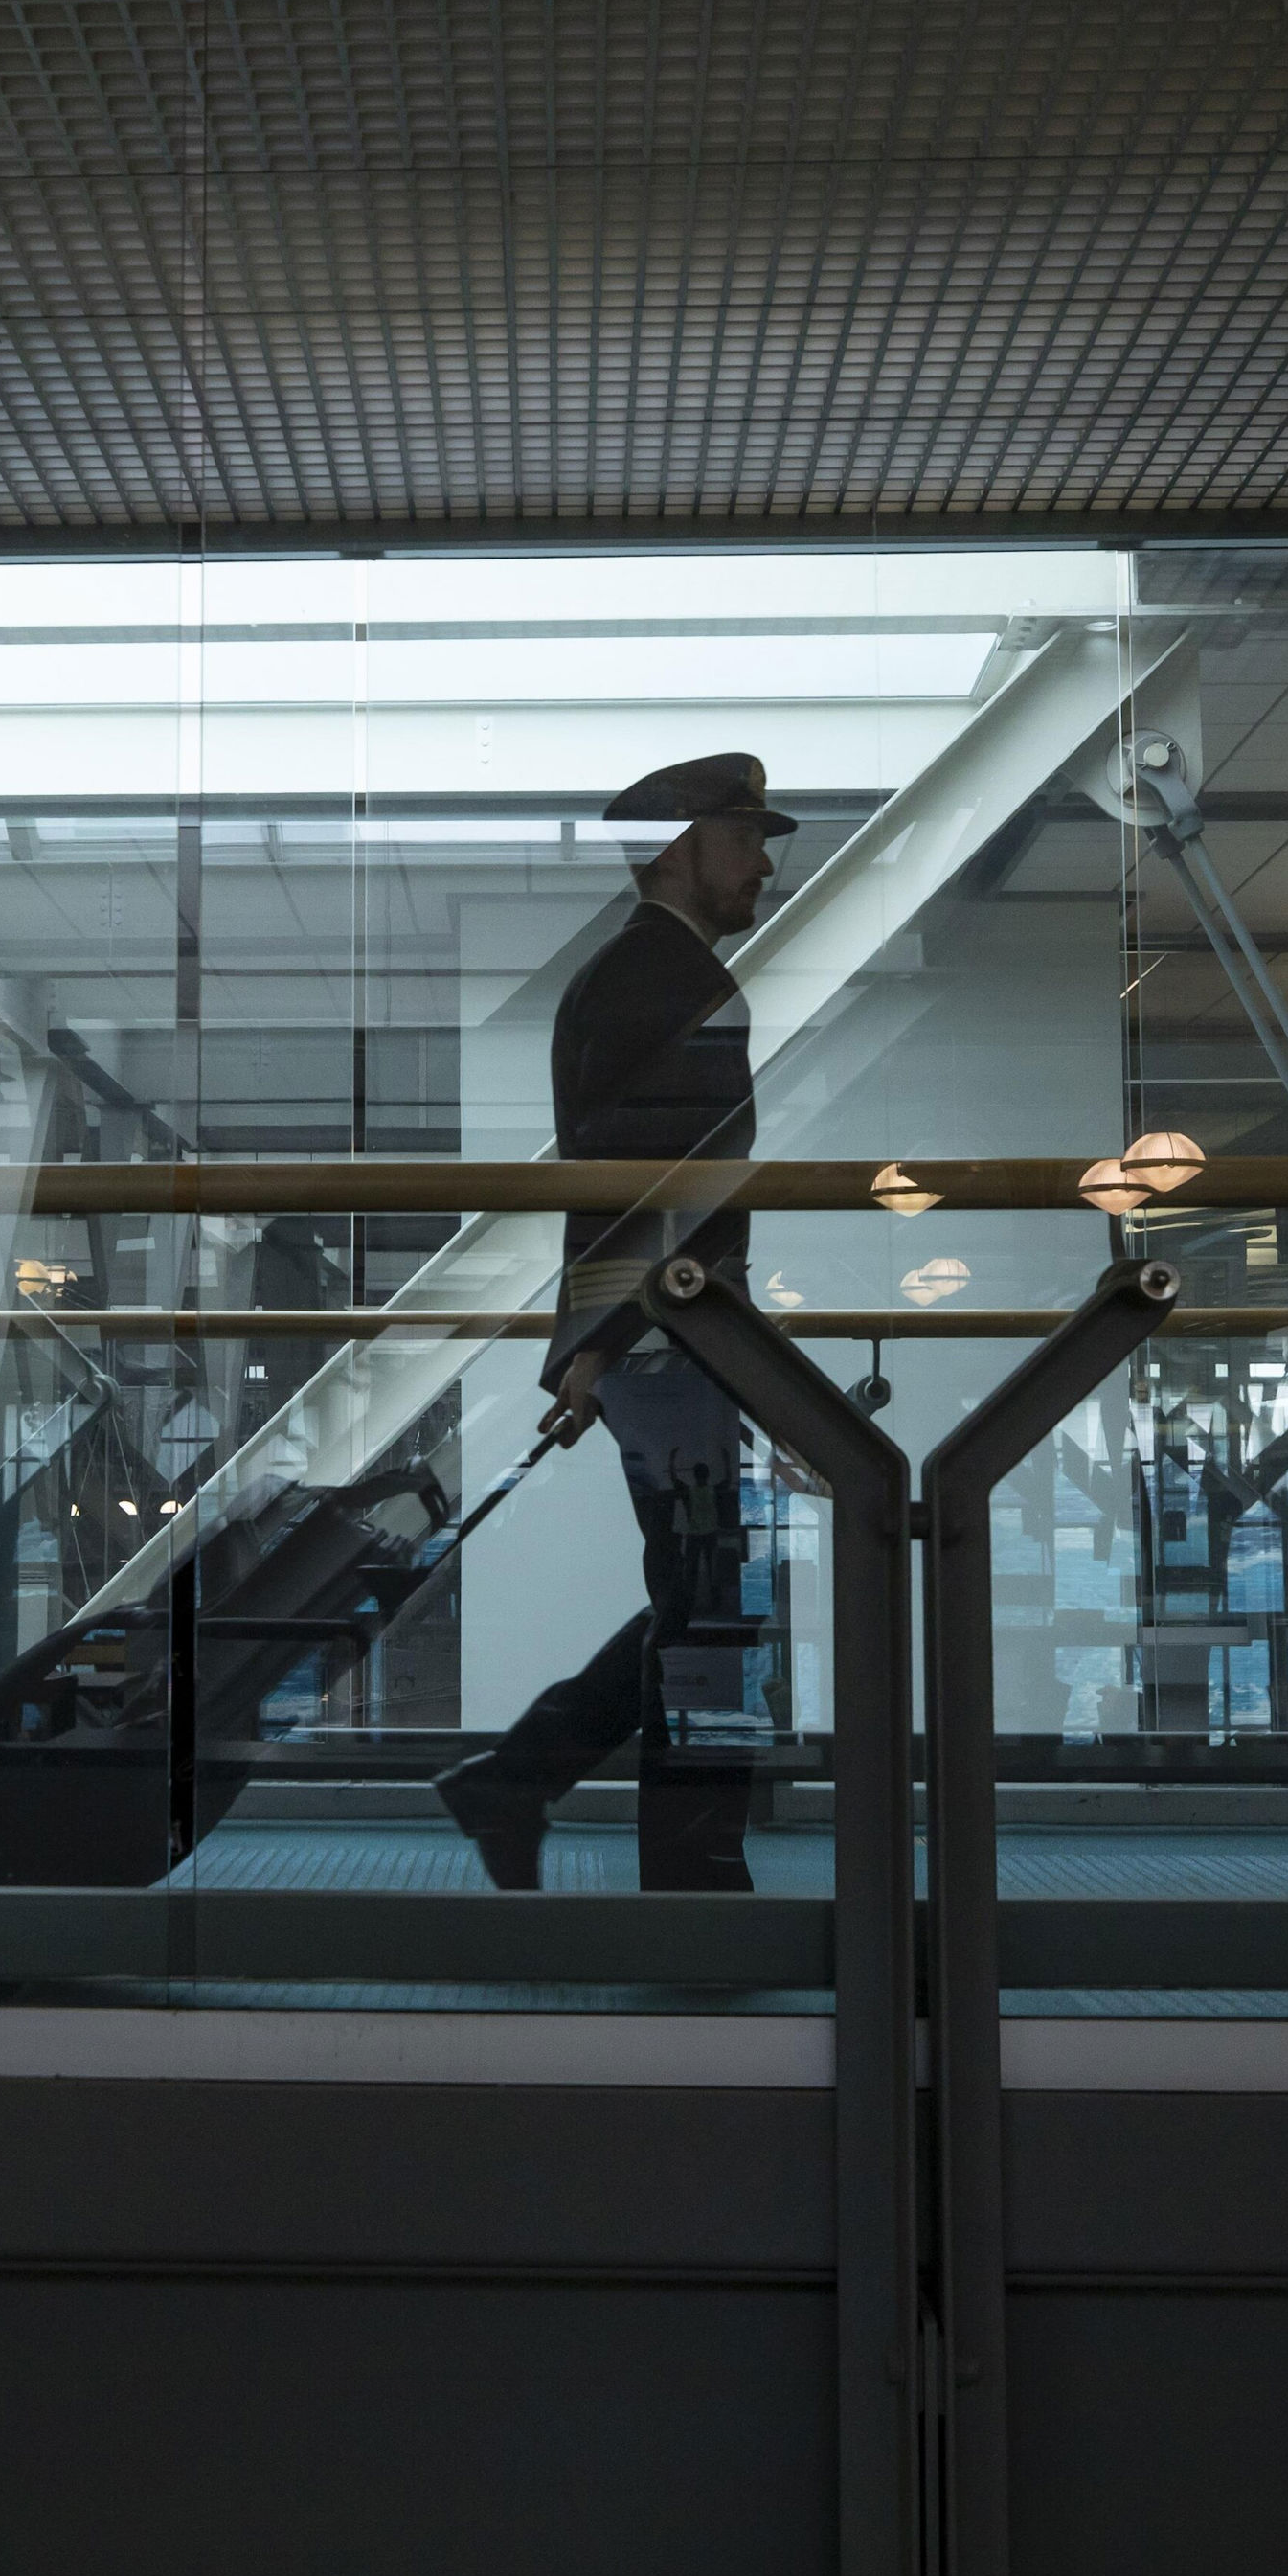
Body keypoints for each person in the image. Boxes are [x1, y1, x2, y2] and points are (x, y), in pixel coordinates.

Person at [431, 753, 795, 1892]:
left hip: (653, 1332)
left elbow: (620, 1180)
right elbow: (647, 1184)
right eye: (744, 840)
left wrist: (595, 1342)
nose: (764, 863)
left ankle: (525, 1779)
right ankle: (688, 1869)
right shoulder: (662, 978)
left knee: (702, 1592)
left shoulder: (640, 972)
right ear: (680, 848)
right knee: (711, 1602)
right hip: (666, 1334)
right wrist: (600, 1343)